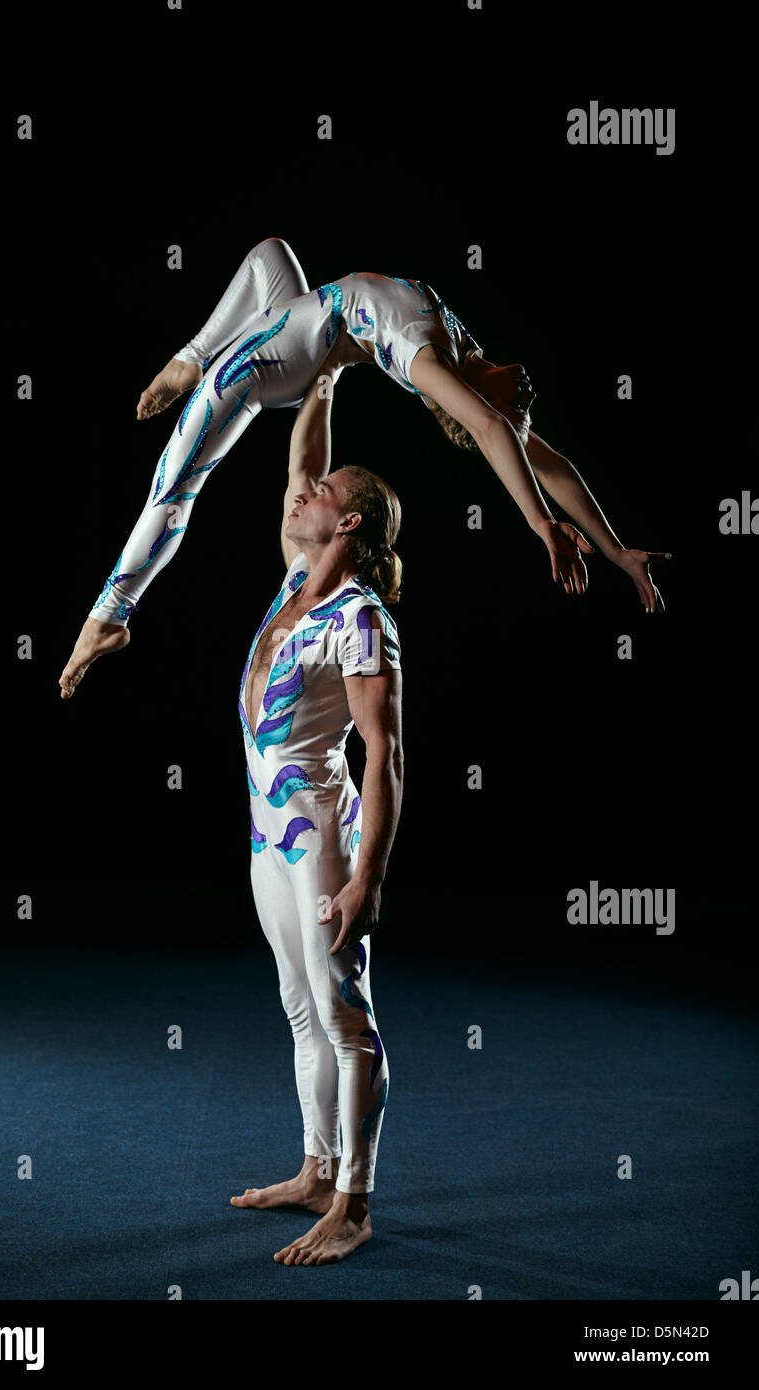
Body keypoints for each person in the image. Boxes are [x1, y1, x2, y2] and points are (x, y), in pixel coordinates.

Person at [59, 236, 669, 698]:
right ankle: (194, 356)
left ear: (484, 405)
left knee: (175, 486)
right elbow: (550, 460)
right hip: (308, 324)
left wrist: (542, 527)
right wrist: (614, 550)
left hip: (277, 361)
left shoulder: (428, 361)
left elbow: (493, 431)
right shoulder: (463, 348)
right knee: (270, 254)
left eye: (520, 407)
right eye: (524, 408)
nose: (529, 394)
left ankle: (109, 617)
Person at [230, 336, 402, 1264]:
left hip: (321, 837)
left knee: (347, 1017)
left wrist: (366, 878)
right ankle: (313, 1169)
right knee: (301, 1009)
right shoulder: (298, 581)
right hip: (267, 830)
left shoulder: (361, 619)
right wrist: (322, 374)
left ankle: (356, 1203)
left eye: (325, 493)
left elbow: (387, 757)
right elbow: (300, 460)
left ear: (350, 524)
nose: (304, 492)